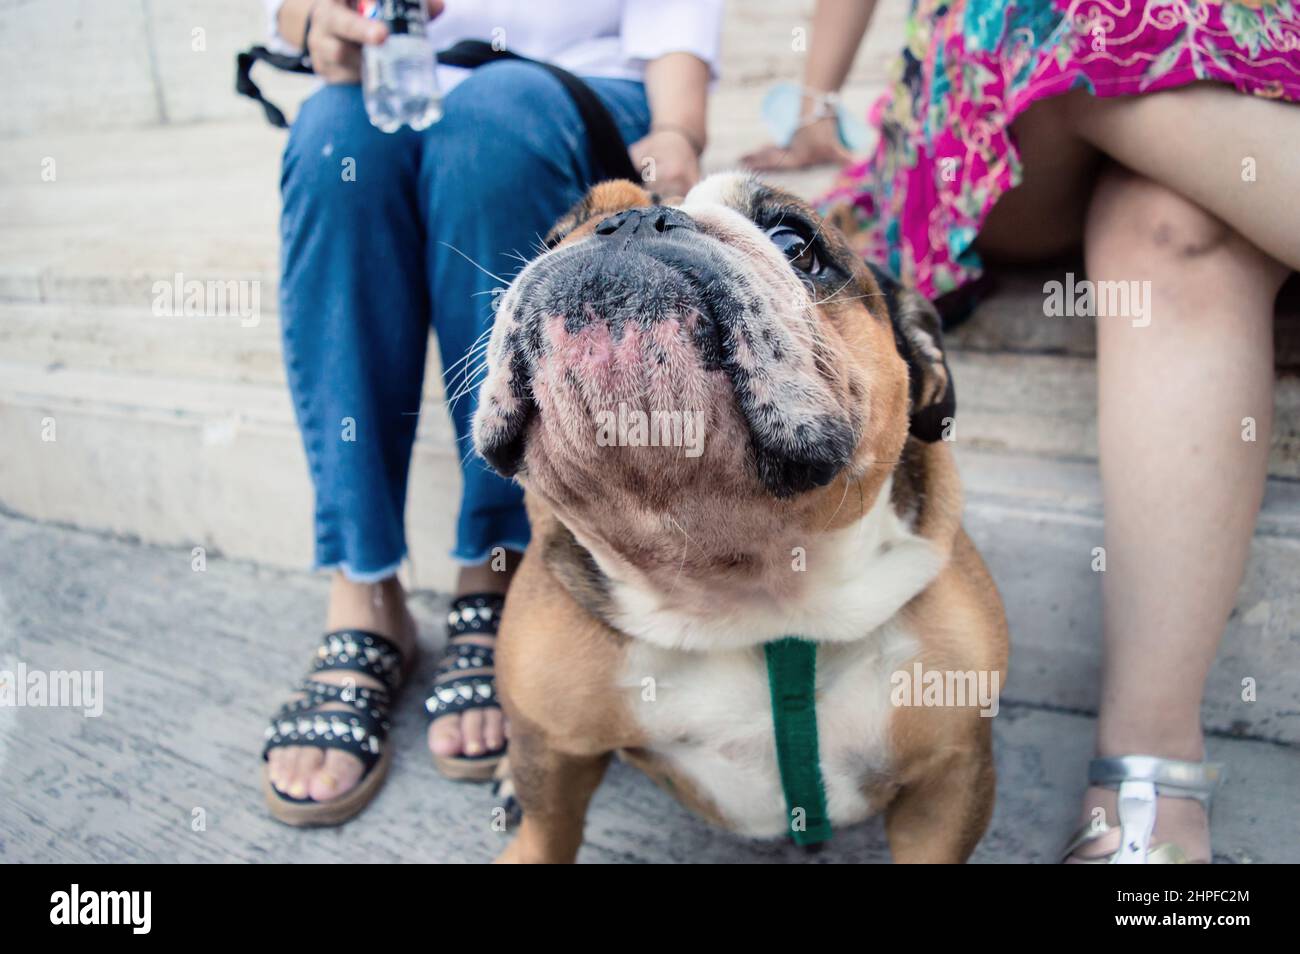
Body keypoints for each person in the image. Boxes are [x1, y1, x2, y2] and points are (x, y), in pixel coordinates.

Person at [746, 0, 1299, 863]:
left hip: (1260, 57)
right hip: (1017, 101)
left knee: (1172, 226)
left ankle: (1146, 763)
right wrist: (817, 102)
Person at [259, 0, 722, 826]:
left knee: (492, 128)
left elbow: (675, 30)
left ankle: (502, 566)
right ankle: (363, 588)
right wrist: (314, 27)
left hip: (565, 95)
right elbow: (297, 12)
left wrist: (678, 136)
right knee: (333, 136)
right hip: (397, 87)